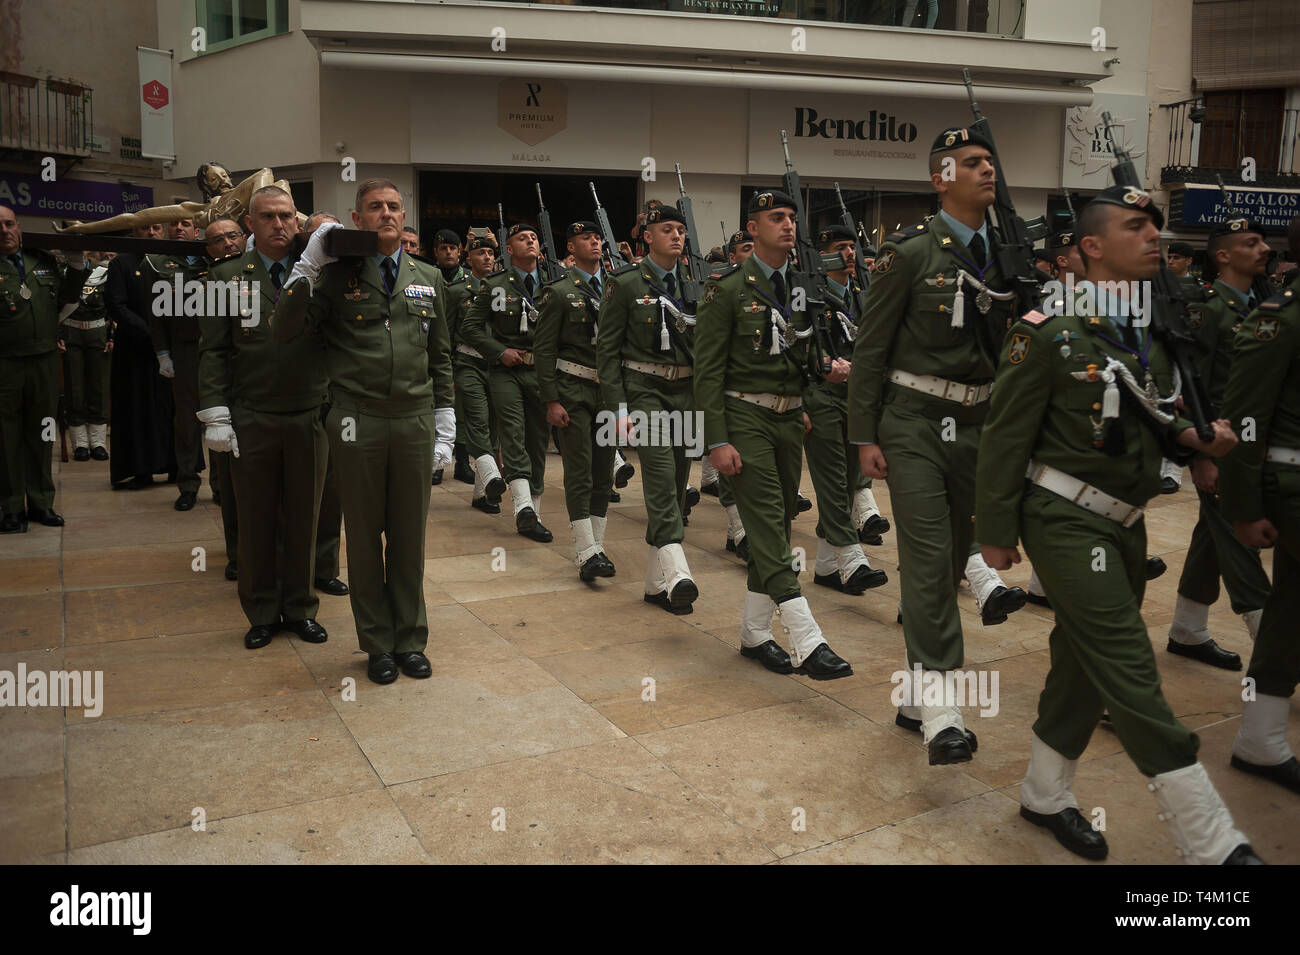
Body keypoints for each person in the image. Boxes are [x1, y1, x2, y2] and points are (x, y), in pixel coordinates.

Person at [976, 185, 1260, 865]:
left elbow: (1156, 420)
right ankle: (1212, 841)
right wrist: (995, 531)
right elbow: (1003, 436)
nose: (1153, 236)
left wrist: (1200, 444)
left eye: (1156, 227)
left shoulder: (1149, 334)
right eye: (1137, 226)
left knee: (1081, 664)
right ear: (1093, 247)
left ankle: (1045, 792)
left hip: (1126, 523)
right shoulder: (1048, 331)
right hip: (1064, 516)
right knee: (1131, 666)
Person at [847, 126, 1020, 765]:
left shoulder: (1006, 256)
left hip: (978, 425)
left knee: (950, 560)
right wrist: (865, 434)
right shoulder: (911, 254)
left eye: (989, 160)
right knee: (924, 558)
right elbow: (871, 348)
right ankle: (943, 710)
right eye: (971, 162)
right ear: (939, 178)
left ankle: (916, 696)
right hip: (914, 420)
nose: (986, 170)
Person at [271, 178, 455, 685]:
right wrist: (306, 268)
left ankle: (410, 640)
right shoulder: (335, 276)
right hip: (357, 420)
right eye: (374, 207)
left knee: (409, 535)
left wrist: (446, 419)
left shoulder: (428, 277)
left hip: (415, 419)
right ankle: (376, 643)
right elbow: (284, 331)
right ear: (357, 219)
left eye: (394, 206)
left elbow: (440, 355)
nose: (386, 214)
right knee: (365, 535)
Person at [695, 190, 853, 677]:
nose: (787, 225)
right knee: (765, 519)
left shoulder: (802, 288)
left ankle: (754, 633)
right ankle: (807, 638)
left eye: (791, 218)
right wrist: (717, 440)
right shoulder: (727, 289)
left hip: (789, 417)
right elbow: (707, 371)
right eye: (776, 218)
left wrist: (821, 372)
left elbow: (801, 350)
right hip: (744, 418)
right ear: (753, 227)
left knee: (778, 521)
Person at [198, 185, 329, 651]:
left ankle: (300, 608)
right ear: (250, 224)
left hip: (307, 416)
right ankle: (260, 611)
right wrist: (216, 414)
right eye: (268, 217)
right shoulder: (225, 278)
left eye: (287, 216)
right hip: (251, 416)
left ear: (298, 223)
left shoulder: (318, 274)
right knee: (254, 519)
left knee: (303, 518)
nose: (279, 224)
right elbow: (213, 351)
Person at [1167, 218, 1273, 669]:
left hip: (1253, 445)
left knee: (1211, 537)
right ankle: (1275, 647)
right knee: (1239, 537)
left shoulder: (1263, 305)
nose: (1265, 248)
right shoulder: (1207, 310)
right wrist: (1198, 457)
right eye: (1252, 243)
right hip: (1221, 445)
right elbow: (1191, 388)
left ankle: (1187, 631)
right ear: (1223, 255)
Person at [1219, 225, 1300, 797]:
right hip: (1292, 481)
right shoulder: (1281, 317)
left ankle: (1260, 736)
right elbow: (1243, 418)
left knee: (1290, 610)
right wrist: (1242, 507)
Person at [597, 205, 699, 614]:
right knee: (658, 478)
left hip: (687, 392)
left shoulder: (698, 283)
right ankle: (678, 572)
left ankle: (656, 586)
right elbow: (606, 351)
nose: (676, 236)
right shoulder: (623, 283)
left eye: (680, 230)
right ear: (648, 237)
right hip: (644, 391)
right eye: (666, 230)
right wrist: (618, 408)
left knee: (677, 483)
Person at [806, 225, 888, 594]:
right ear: (823, 254)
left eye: (852, 247)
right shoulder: (808, 294)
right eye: (841, 248)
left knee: (852, 480)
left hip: (858, 397)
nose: (850, 254)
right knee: (833, 481)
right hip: (822, 394)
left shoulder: (863, 292)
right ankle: (853, 559)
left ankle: (826, 567)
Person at [461, 223, 554, 542]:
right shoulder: (495, 285)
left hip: (541, 371)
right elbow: (470, 327)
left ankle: (534, 512)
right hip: (506, 371)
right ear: (509, 249)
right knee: (512, 432)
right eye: (521, 239)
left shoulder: (555, 283)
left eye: (533, 238)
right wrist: (499, 352)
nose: (530, 241)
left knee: (538, 440)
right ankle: (523, 507)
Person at [534, 221, 617, 580]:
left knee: (603, 473)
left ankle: (595, 547)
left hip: (607, 393)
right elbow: (544, 348)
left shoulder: (616, 289)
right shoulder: (560, 291)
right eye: (586, 237)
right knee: (580, 470)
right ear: (571, 247)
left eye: (597, 237)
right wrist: (551, 399)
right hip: (573, 390)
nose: (595, 241)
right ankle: (585, 549)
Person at [0, 202, 84, 532]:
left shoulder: (43, 261)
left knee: (43, 432)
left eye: (9, 224)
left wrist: (76, 265)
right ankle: (10, 508)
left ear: (18, 227)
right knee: (6, 438)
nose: (4, 231)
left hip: (45, 361)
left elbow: (67, 299)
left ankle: (41, 503)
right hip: (5, 364)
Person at [301, 211, 349, 599]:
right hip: (299, 395)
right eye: (321, 233)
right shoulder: (301, 274)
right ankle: (293, 572)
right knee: (300, 496)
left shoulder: (352, 276)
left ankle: (325, 566)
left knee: (333, 493)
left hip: (338, 397)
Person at [106, 222, 175, 489]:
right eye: (145, 228)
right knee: (137, 408)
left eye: (157, 227)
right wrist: (150, 333)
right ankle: (140, 469)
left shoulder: (170, 262)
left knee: (169, 409)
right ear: (134, 232)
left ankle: (173, 465)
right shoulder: (121, 264)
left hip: (169, 349)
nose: (152, 233)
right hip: (136, 350)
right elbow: (116, 304)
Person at [148, 217, 208, 511]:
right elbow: (155, 315)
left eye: (186, 224)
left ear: (197, 231)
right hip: (184, 349)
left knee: (223, 417)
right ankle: (187, 483)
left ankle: (224, 486)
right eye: (174, 225)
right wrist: (162, 353)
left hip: (217, 347)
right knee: (186, 421)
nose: (179, 229)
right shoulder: (159, 264)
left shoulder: (215, 257)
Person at [202, 218, 247, 580]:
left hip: (265, 389)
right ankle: (238, 553)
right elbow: (212, 348)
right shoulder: (211, 280)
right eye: (218, 240)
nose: (228, 243)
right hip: (232, 391)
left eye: (233, 235)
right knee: (232, 484)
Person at [445, 230, 502, 507]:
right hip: (467, 363)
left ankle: (482, 492)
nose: (487, 257)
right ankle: (491, 476)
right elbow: (443, 334)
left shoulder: (503, 289)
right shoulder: (457, 292)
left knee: (493, 426)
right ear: (468, 258)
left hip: (497, 365)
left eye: (491, 252)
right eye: (481, 252)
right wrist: (446, 373)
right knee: (477, 420)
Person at [58, 250, 113, 463]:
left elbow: (112, 305)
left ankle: (98, 442)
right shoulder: (64, 272)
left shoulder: (103, 273)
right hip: (71, 332)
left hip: (98, 331)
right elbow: (56, 306)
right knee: (74, 388)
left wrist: (112, 335)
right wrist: (58, 334)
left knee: (98, 387)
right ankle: (80, 443)